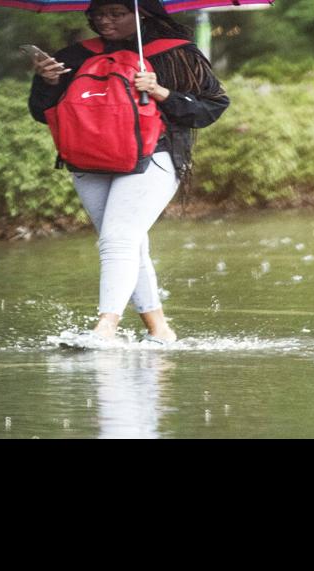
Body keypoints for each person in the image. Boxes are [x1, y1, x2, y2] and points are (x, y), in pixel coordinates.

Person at [29, 0, 230, 345]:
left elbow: (210, 107)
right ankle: (159, 330)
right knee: (126, 242)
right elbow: (41, 112)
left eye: (116, 14)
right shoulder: (74, 56)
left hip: (154, 157)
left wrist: (160, 92)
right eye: (98, 14)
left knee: (117, 239)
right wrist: (47, 81)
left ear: (141, 13)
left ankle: (106, 327)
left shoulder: (174, 53)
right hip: (89, 161)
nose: (104, 22)